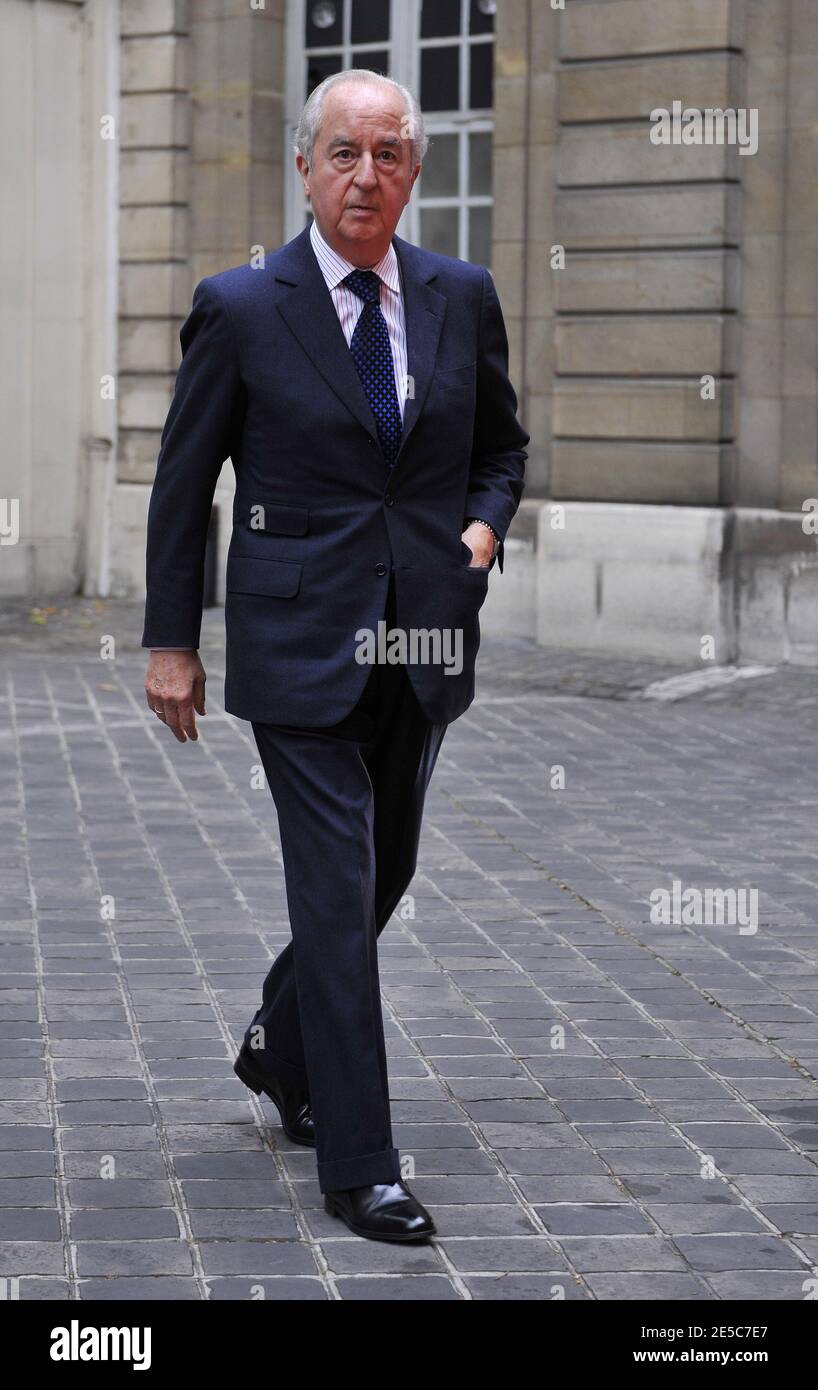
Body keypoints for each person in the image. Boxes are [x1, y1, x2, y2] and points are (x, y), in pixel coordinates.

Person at [142, 69, 528, 1243]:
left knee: (383, 876)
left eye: (391, 154)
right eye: (345, 154)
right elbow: (183, 483)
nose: (368, 175)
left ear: (415, 170)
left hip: (420, 635)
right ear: (305, 169)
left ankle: (275, 1043)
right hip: (297, 640)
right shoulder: (243, 304)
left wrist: (478, 531)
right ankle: (360, 1161)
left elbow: (501, 447)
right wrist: (170, 639)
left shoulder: (460, 295)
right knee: (334, 882)